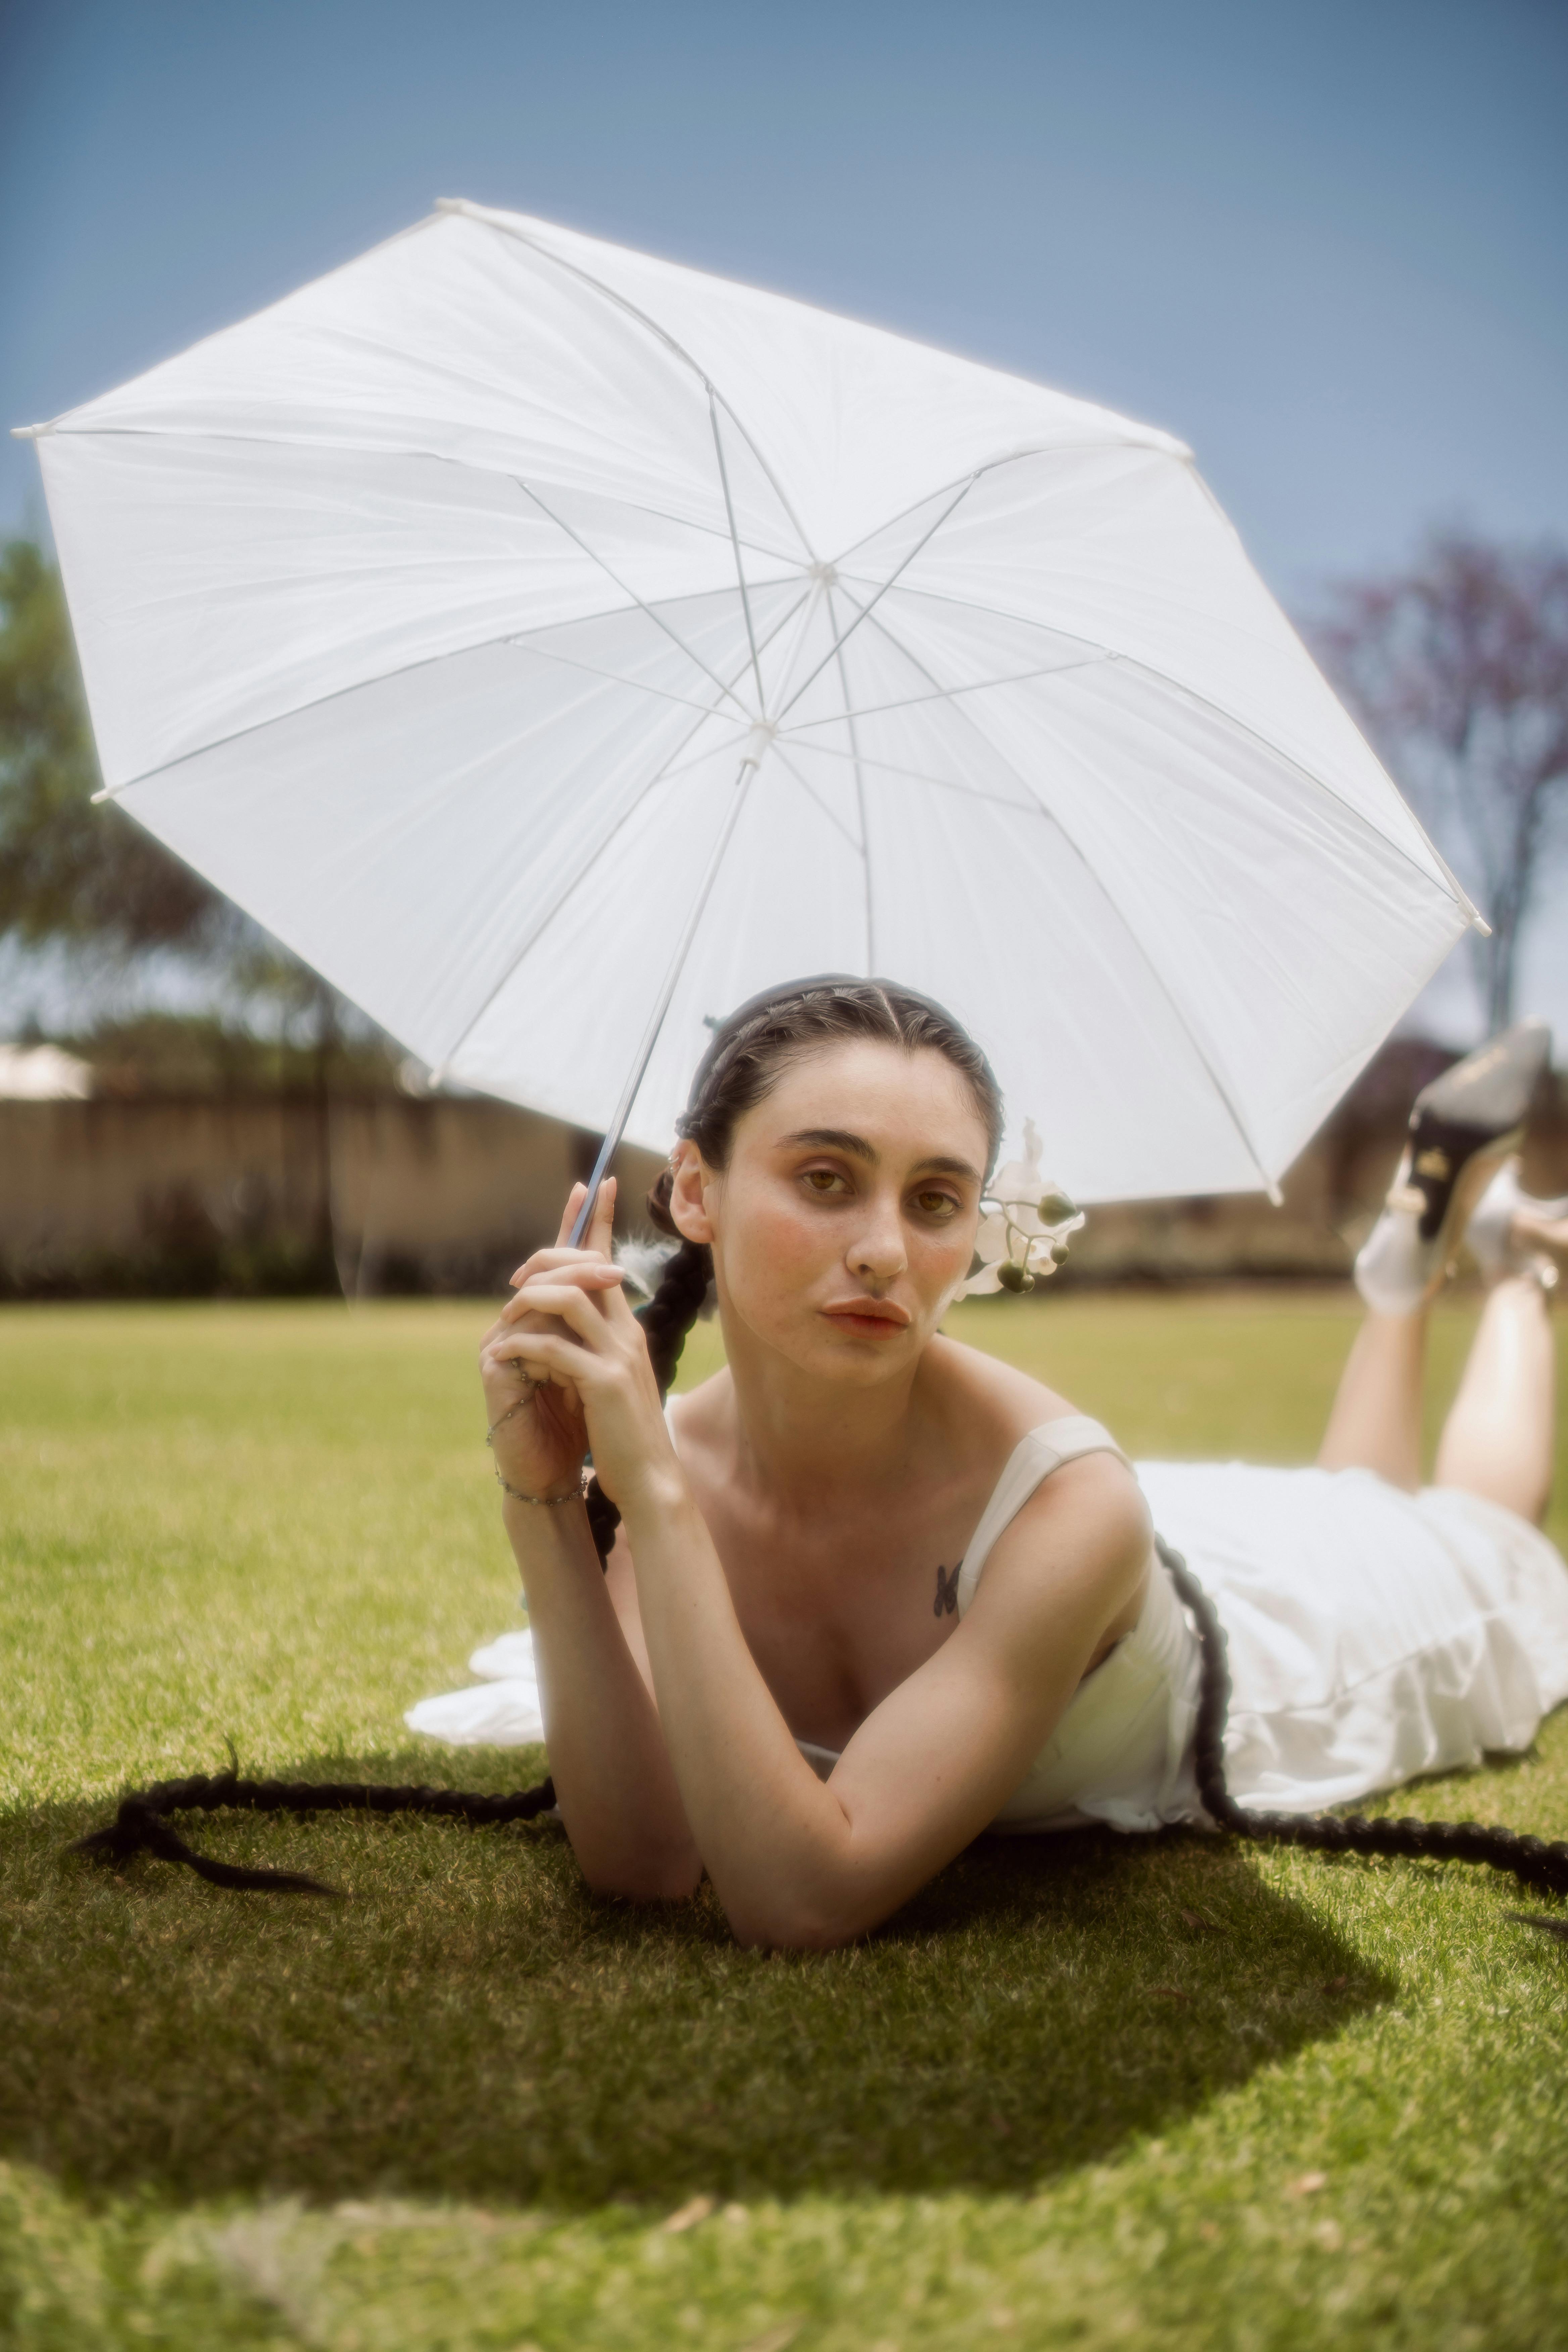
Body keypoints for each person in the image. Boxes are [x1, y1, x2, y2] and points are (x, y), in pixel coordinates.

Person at [476, 980, 1568, 1950]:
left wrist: (656, 1502)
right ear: (695, 1192)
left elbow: (801, 1897)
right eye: (824, 1178)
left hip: (1278, 1649)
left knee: (1479, 1542)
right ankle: (1407, 1266)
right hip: (1059, 1543)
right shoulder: (660, 1466)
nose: (885, 1250)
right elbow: (646, 1866)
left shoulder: (1069, 1509)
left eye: (936, 1200)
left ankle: (1521, 1273)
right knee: (1358, 1501)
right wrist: (550, 1509)